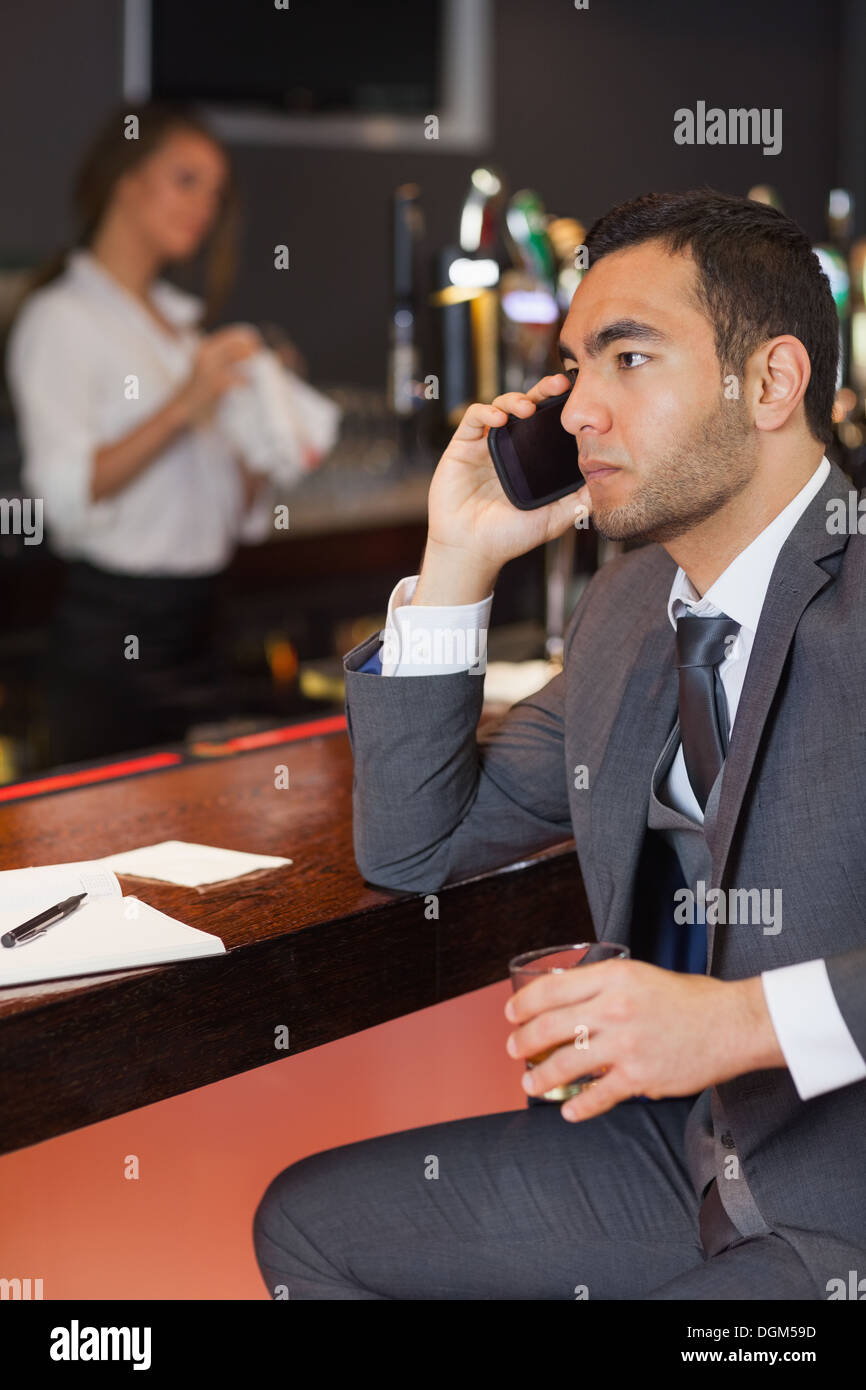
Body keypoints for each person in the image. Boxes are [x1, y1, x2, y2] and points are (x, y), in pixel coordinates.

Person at [253, 189, 866, 1300]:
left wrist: (734, 1021)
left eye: (628, 359)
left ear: (770, 382)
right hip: (687, 1153)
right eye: (574, 366)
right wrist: (456, 560)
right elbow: (417, 847)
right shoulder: (631, 607)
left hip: (843, 1197)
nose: (577, 409)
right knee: (311, 1228)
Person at [6, 102, 275, 764]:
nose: (205, 207)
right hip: (115, 642)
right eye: (187, 181)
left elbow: (240, 518)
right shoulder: (60, 320)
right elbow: (64, 498)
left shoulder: (181, 329)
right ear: (126, 180)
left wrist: (267, 423)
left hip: (205, 626)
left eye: (215, 193)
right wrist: (186, 403)